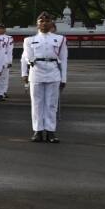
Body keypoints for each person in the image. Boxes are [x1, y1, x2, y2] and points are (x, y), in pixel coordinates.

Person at [21, 12, 68, 143]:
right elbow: (26, 58)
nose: (44, 23)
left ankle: (50, 131)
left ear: (51, 23)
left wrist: (63, 79)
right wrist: (25, 73)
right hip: (36, 72)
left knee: (51, 104)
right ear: (37, 24)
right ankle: (38, 130)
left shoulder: (60, 39)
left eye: (47, 21)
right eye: (41, 21)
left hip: (53, 72)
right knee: (37, 104)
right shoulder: (29, 40)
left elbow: (63, 60)